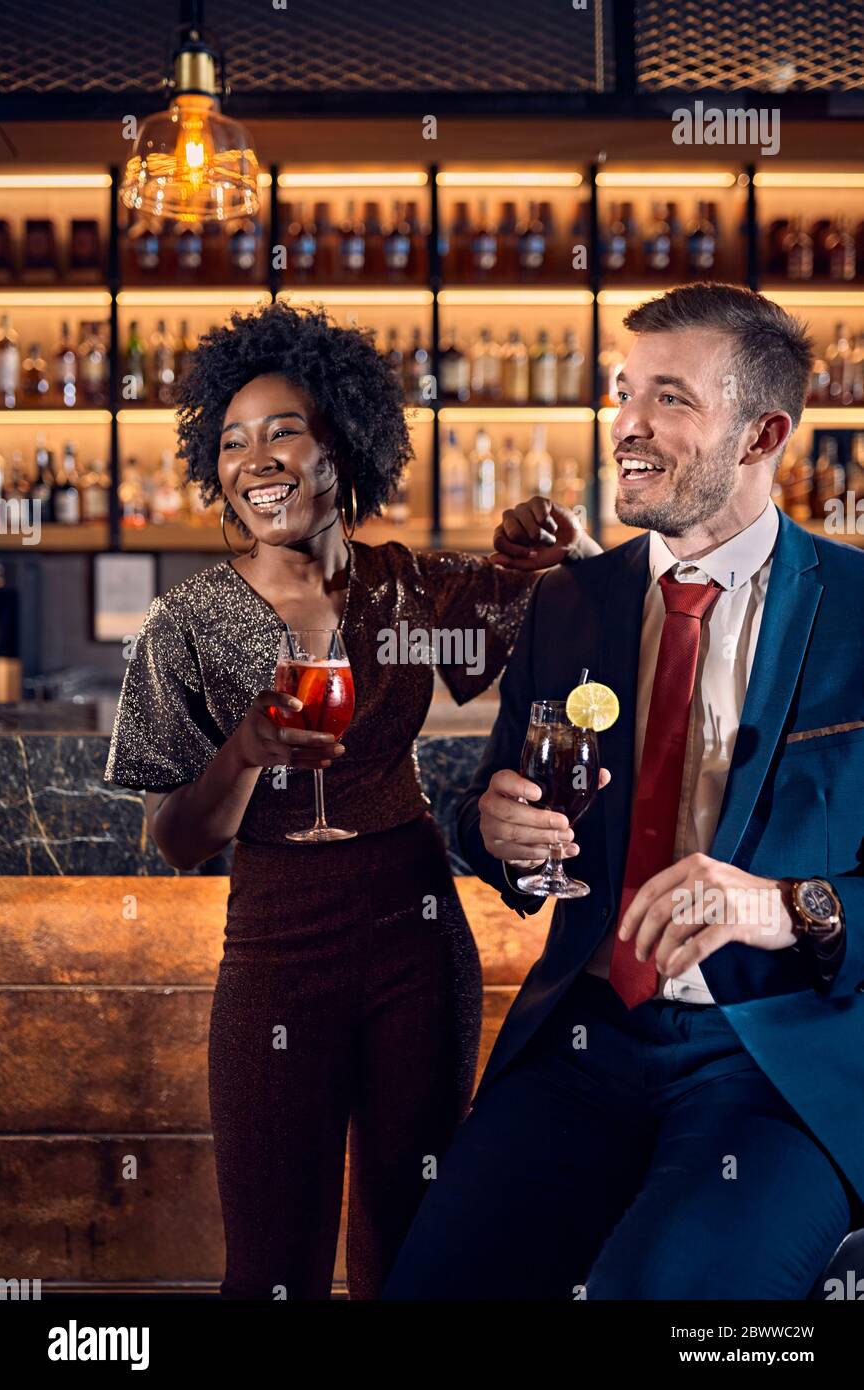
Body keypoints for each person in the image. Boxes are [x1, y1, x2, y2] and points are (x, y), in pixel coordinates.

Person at [102, 300, 600, 1300]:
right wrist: (242, 751)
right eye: (233, 440)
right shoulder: (185, 624)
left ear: (345, 443)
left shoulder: (408, 587)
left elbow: (567, 604)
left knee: (410, 1246)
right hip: (277, 945)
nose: (257, 457)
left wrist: (562, 545)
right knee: (272, 1261)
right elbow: (177, 842)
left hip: (415, 932)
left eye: (284, 428)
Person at [383, 282, 864, 1301]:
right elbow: (499, 811)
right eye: (620, 392)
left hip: (772, 1066)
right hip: (583, 1038)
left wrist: (783, 904)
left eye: (668, 398)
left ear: (761, 432)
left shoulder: (857, 610)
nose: (627, 428)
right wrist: (499, 833)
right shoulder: (568, 601)